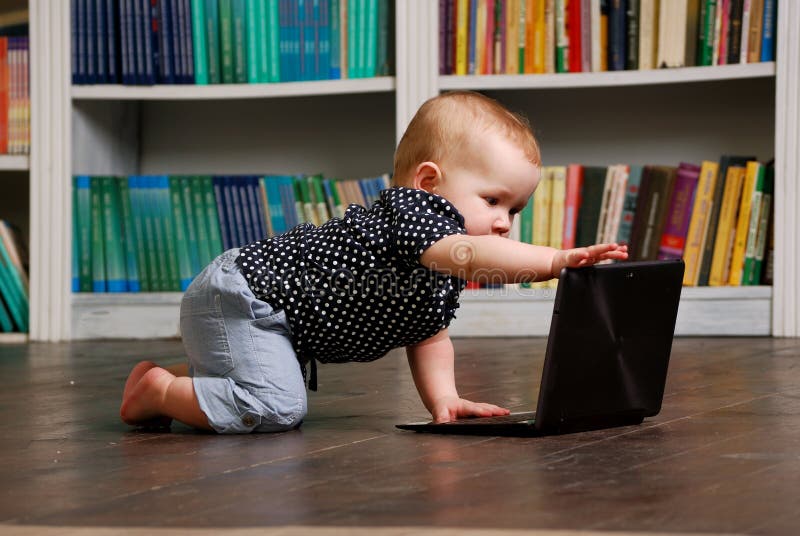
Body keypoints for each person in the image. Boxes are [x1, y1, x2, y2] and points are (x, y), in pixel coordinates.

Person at [120, 91, 628, 433]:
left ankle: (207, 382)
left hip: (263, 315)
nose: (504, 222)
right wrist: (556, 259)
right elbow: (474, 255)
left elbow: (429, 336)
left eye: (515, 210)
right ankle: (159, 390)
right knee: (278, 407)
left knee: (272, 391)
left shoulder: (437, 271)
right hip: (242, 298)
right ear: (428, 182)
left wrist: (443, 401)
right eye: (493, 201)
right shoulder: (412, 214)